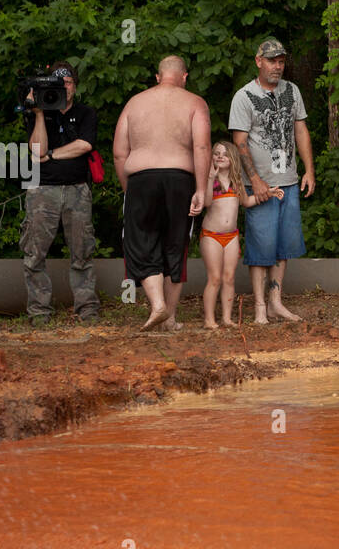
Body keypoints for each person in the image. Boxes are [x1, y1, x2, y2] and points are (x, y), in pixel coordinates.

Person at [113, 55, 209, 330]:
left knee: (142, 240)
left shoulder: (135, 103)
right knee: (175, 245)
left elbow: (120, 153)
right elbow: (202, 148)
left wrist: (128, 189)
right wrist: (201, 189)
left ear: (158, 77)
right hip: (180, 178)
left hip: (142, 179)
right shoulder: (194, 102)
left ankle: (157, 305)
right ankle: (171, 318)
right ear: (184, 77)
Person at [229, 38, 315, 324]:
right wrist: (255, 179)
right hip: (260, 185)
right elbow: (239, 142)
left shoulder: (292, 90)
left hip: (288, 180)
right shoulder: (244, 96)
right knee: (260, 246)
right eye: (271, 61)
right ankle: (259, 308)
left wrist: (309, 170)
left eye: (280, 61)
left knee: (284, 245)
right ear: (258, 61)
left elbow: (300, 130)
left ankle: (276, 301)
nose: (277, 66)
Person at [22, 60, 100, 324]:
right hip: (42, 191)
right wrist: (41, 113)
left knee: (82, 251)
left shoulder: (86, 112)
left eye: (68, 83)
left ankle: (87, 309)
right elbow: (36, 151)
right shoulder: (37, 114)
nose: (63, 88)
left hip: (78, 190)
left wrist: (53, 154)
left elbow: (84, 145)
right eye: (58, 83)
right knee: (35, 253)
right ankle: (39, 311)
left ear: (75, 86)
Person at [198, 139, 283, 328]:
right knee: (215, 278)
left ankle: (227, 318)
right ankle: (209, 320)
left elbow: (246, 202)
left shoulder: (236, 181)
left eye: (224, 154)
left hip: (231, 236)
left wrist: (267, 194)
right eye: (217, 153)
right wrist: (211, 177)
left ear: (232, 159)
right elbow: (207, 204)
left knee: (229, 277)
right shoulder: (209, 179)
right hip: (212, 235)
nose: (220, 156)